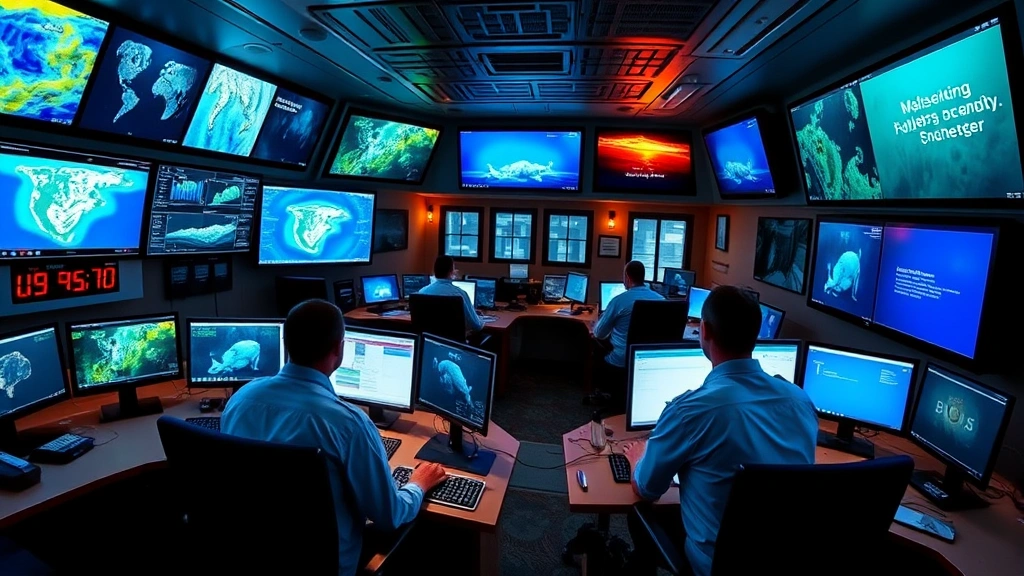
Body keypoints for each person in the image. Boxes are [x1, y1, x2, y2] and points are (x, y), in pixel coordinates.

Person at [222, 300, 447, 576]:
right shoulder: (349, 425)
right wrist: (418, 484)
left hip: (248, 554)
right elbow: (389, 516)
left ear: (285, 342)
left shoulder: (240, 400)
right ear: (339, 349)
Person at [622, 286, 818, 576]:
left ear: (704, 330)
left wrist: (638, 456)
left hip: (719, 565)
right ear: (756, 334)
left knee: (640, 516)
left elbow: (647, 489)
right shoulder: (800, 401)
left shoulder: (688, 411)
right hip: (786, 557)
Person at [592, 260, 665, 369]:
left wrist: (599, 320)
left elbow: (599, 334)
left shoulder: (618, 301)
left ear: (627, 277)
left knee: (592, 342)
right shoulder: (662, 300)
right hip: (651, 360)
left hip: (621, 360)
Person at [418, 255, 485, 332]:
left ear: (435, 271)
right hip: (454, 339)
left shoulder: (422, 292)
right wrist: (481, 320)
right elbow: (476, 326)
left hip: (429, 337)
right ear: (451, 272)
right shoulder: (460, 294)